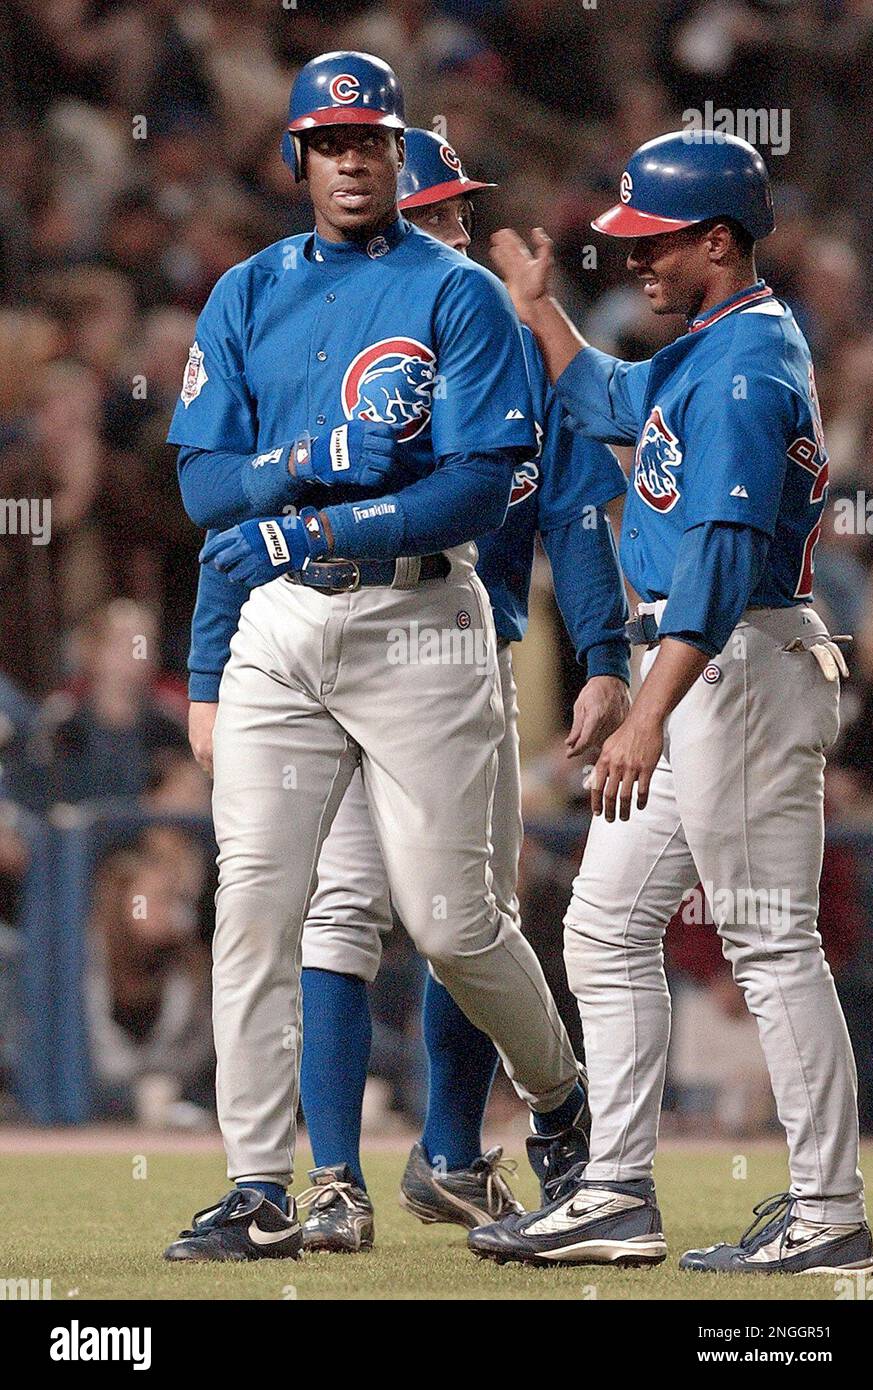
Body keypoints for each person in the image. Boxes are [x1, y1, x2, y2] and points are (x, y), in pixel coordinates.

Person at [162, 52, 591, 1264]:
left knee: (455, 921)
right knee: (255, 905)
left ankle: (559, 1097)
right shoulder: (246, 290)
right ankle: (261, 1184)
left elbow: (472, 487)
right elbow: (202, 482)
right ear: (297, 156)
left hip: (421, 624)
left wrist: (319, 516)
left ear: (399, 156)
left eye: (373, 140)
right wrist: (306, 469)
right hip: (287, 628)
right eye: (332, 141)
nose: (354, 160)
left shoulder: (454, 293)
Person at [469, 130, 873, 1276]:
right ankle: (614, 1193)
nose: (634, 259)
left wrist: (647, 707)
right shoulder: (710, 345)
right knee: (602, 927)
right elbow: (605, 395)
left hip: (733, 664)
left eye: (655, 241)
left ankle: (826, 1208)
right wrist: (539, 306)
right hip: (705, 665)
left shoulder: (748, 366)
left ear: (718, 238)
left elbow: (721, 556)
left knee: (769, 939)